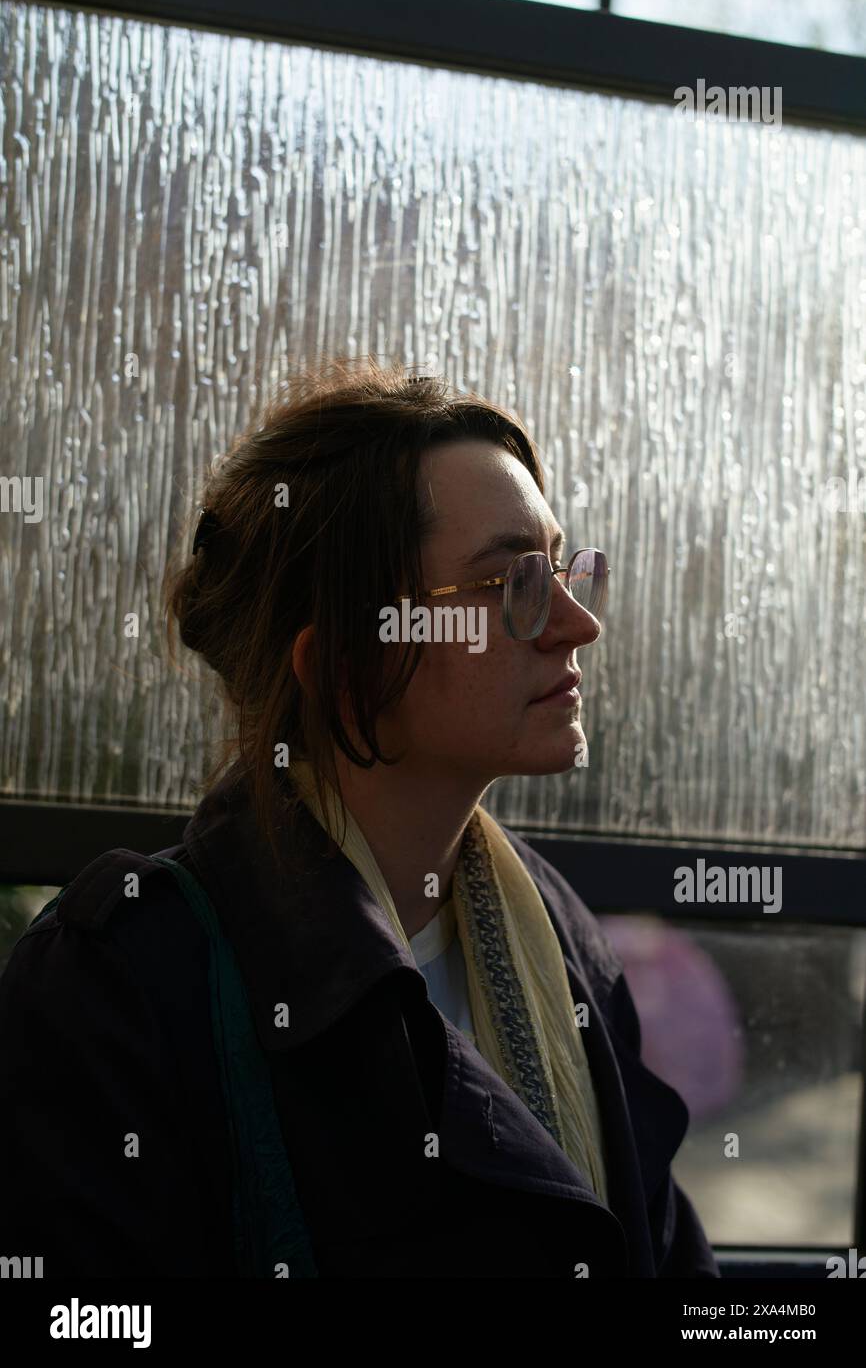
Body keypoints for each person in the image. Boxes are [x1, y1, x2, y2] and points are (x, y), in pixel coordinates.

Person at [0, 358, 719, 1278]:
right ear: (348, 663)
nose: (579, 624)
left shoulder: (556, 931)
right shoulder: (122, 984)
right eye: (514, 586)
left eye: (567, 568)